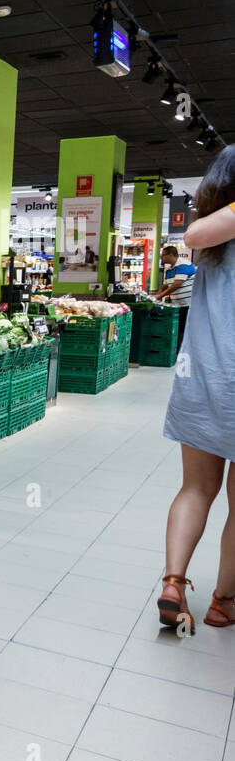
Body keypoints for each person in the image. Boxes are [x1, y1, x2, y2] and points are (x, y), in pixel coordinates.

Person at [156, 145, 235, 631]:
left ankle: (173, 581)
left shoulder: (213, 235)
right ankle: (223, 601)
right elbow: (196, 232)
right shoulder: (214, 229)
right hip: (219, 377)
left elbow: (196, 233)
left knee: (195, 488)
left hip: (203, 376)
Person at [157, 244, 194, 344]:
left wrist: (160, 296)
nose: (162, 257)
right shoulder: (169, 269)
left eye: (164, 255)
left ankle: (180, 351)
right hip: (178, 305)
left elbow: (177, 284)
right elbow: (165, 284)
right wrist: (157, 295)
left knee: (183, 329)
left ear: (172, 255)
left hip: (188, 305)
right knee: (178, 328)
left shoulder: (183, 264)